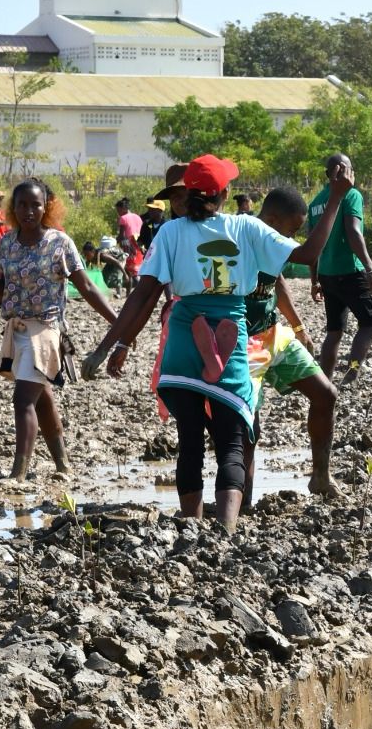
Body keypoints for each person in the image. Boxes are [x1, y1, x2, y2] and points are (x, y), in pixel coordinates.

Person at [84, 154, 353, 531]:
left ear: (190, 194)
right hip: (233, 337)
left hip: (186, 341)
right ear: (225, 193)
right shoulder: (244, 227)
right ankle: (226, 530)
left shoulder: (170, 232)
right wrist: (337, 198)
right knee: (232, 439)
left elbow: (143, 294)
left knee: (190, 440)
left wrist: (108, 345)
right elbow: (307, 253)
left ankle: (191, 527)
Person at [0, 179, 119, 479]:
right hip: (17, 329)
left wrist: (119, 324)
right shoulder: (8, 242)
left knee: (23, 399)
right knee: (42, 397)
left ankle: (18, 473)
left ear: (46, 206)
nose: (29, 211)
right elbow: (0, 289)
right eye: (22, 204)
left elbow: (86, 286)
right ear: (13, 208)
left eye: (36, 204)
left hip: (47, 329)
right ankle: (63, 465)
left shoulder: (59, 242)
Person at [243, 187, 339, 501]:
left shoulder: (273, 244)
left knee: (325, 394)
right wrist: (336, 197)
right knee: (248, 423)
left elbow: (278, 280)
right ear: (271, 219)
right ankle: (242, 498)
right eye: (293, 229)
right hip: (245, 343)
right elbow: (309, 253)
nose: (293, 236)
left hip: (273, 334)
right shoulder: (243, 235)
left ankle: (321, 477)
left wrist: (298, 327)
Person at [308, 154, 372, 382]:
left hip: (327, 275)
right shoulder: (351, 194)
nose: (348, 174)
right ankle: (351, 375)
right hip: (350, 270)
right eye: (346, 170)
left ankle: (324, 381)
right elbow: (354, 232)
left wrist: (314, 280)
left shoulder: (315, 203)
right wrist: (370, 269)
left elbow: (313, 245)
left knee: (334, 331)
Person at [114, 198, 144, 282]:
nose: (118, 212)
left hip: (129, 246)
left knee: (132, 272)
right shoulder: (137, 217)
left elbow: (122, 235)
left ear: (123, 209)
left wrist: (114, 242)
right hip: (139, 245)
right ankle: (128, 293)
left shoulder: (123, 218)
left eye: (118, 210)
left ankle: (141, 292)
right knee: (136, 270)